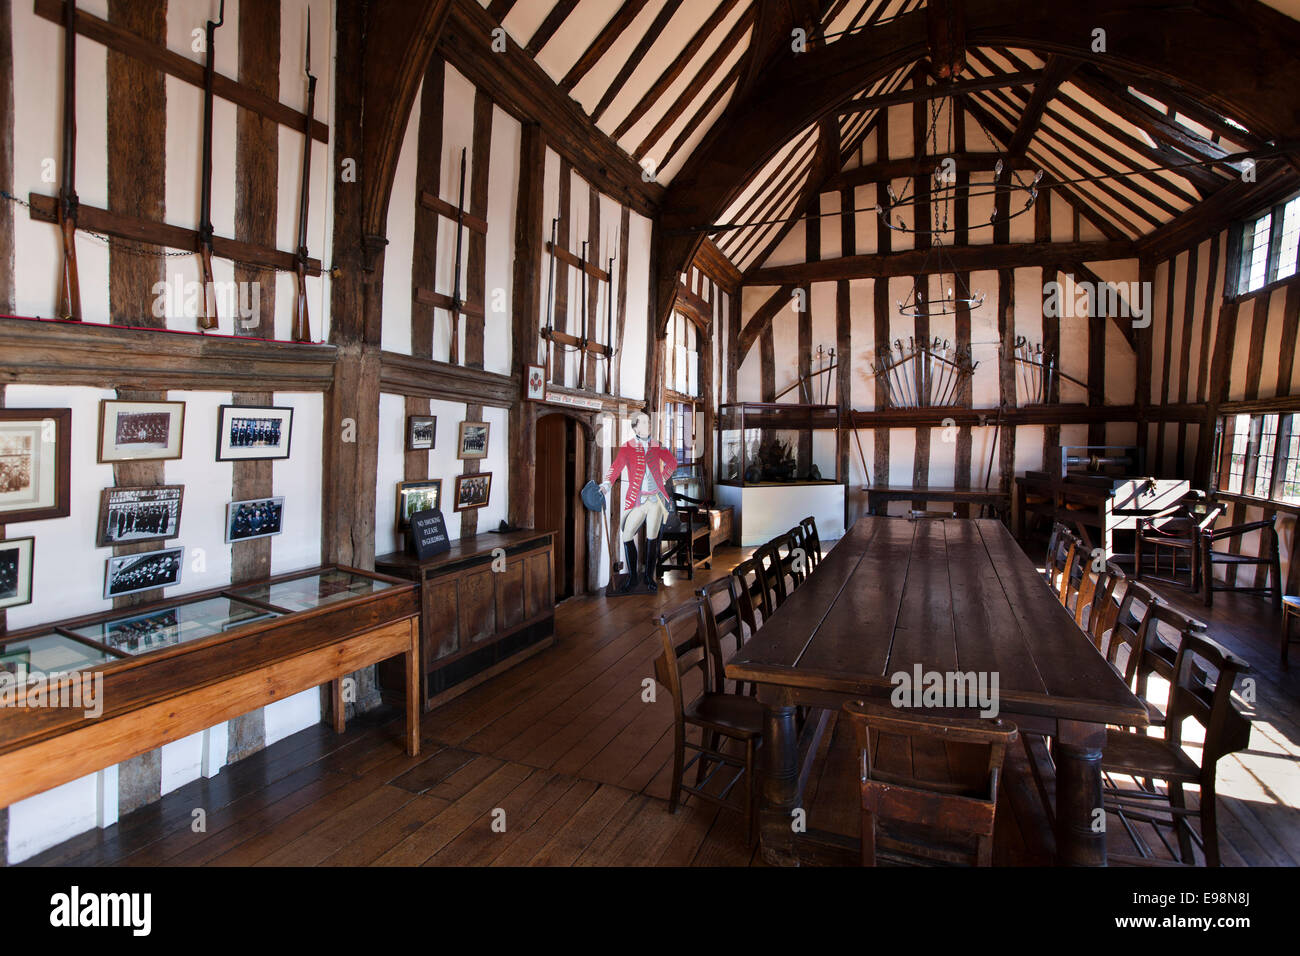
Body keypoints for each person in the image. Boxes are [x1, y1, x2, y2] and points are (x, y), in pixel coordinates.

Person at [600, 411, 678, 592]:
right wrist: (606, 485)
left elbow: (672, 462)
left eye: (648, 423)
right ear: (635, 427)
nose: (647, 426)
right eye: (643, 423)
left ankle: (649, 578)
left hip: (655, 499)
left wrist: (663, 478)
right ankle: (633, 578)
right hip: (637, 499)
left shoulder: (657, 445)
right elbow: (615, 468)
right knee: (627, 535)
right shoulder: (626, 447)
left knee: (652, 538)